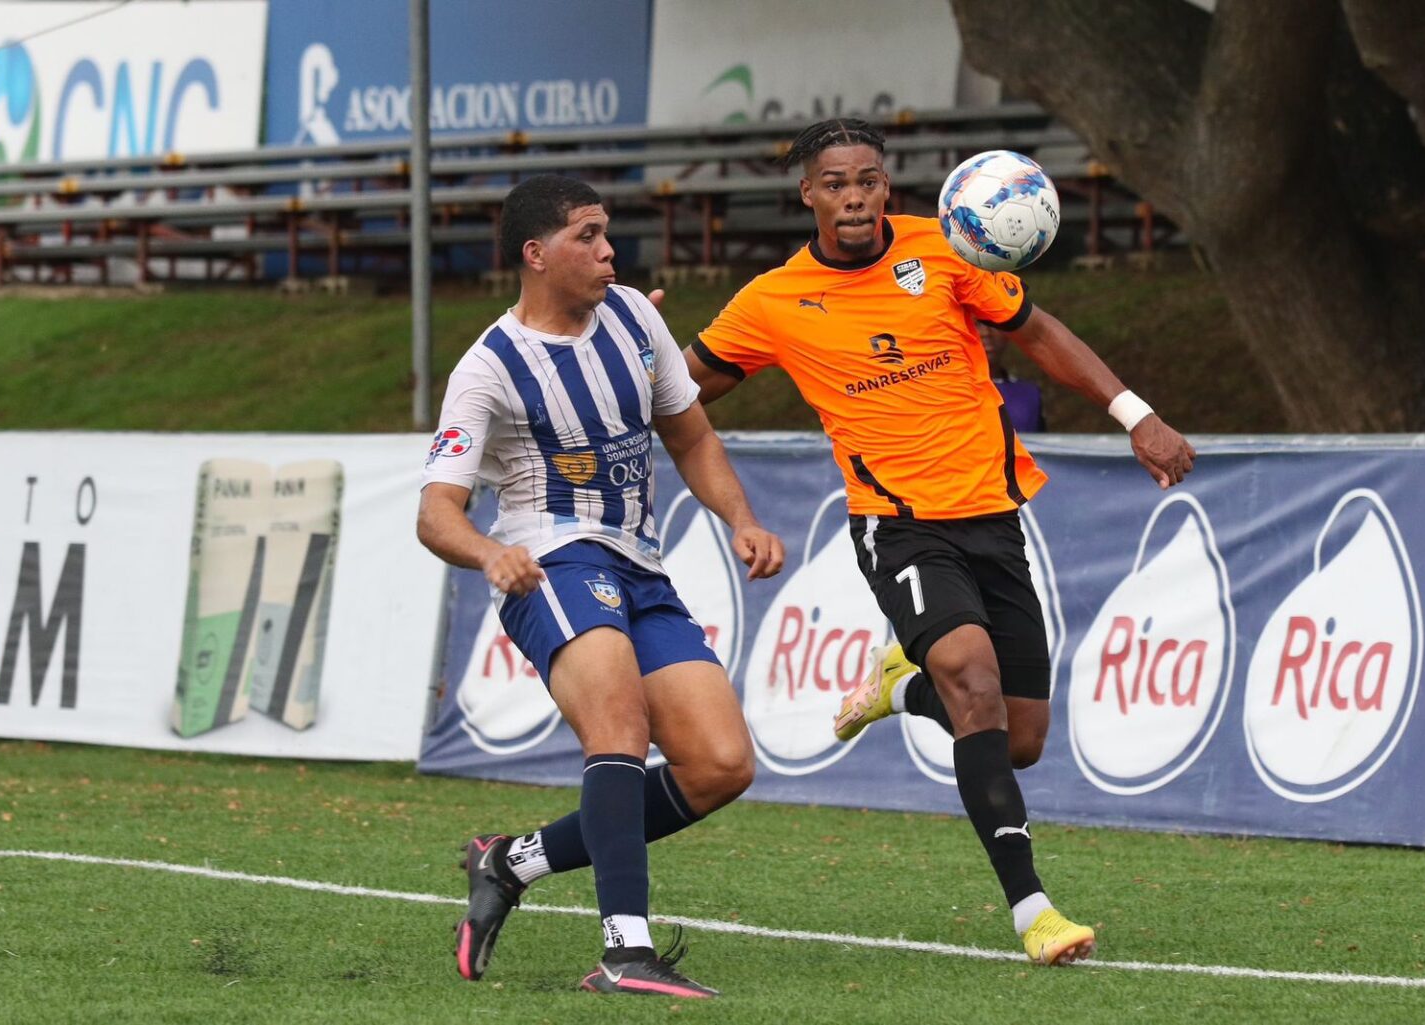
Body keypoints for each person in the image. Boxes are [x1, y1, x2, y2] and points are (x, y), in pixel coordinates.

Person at [684, 118, 1195, 966]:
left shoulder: (950, 248)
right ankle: (1034, 910)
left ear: (887, 187)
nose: (856, 196)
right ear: (807, 193)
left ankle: (899, 688)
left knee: (1017, 736)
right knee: (973, 678)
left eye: (871, 180)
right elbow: (682, 389)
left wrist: (1135, 416)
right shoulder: (772, 301)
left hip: (993, 516)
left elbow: (1038, 332)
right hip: (899, 527)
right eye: (837, 182)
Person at [418, 174, 785, 998]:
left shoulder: (634, 315)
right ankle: (625, 950)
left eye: (607, 232)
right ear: (535, 253)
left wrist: (740, 518)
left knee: (720, 763)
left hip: (640, 563)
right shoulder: (488, 369)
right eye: (588, 235)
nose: (608, 250)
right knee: (618, 723)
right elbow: (435, 512)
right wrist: (486, 553)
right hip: (552, 562)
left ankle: (511, 859)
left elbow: (691, 437)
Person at [978, 320, 1045, 432]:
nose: (986, 332)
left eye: (993, 324)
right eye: (977, 324)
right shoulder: (948, 392)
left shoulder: (1029, 394)